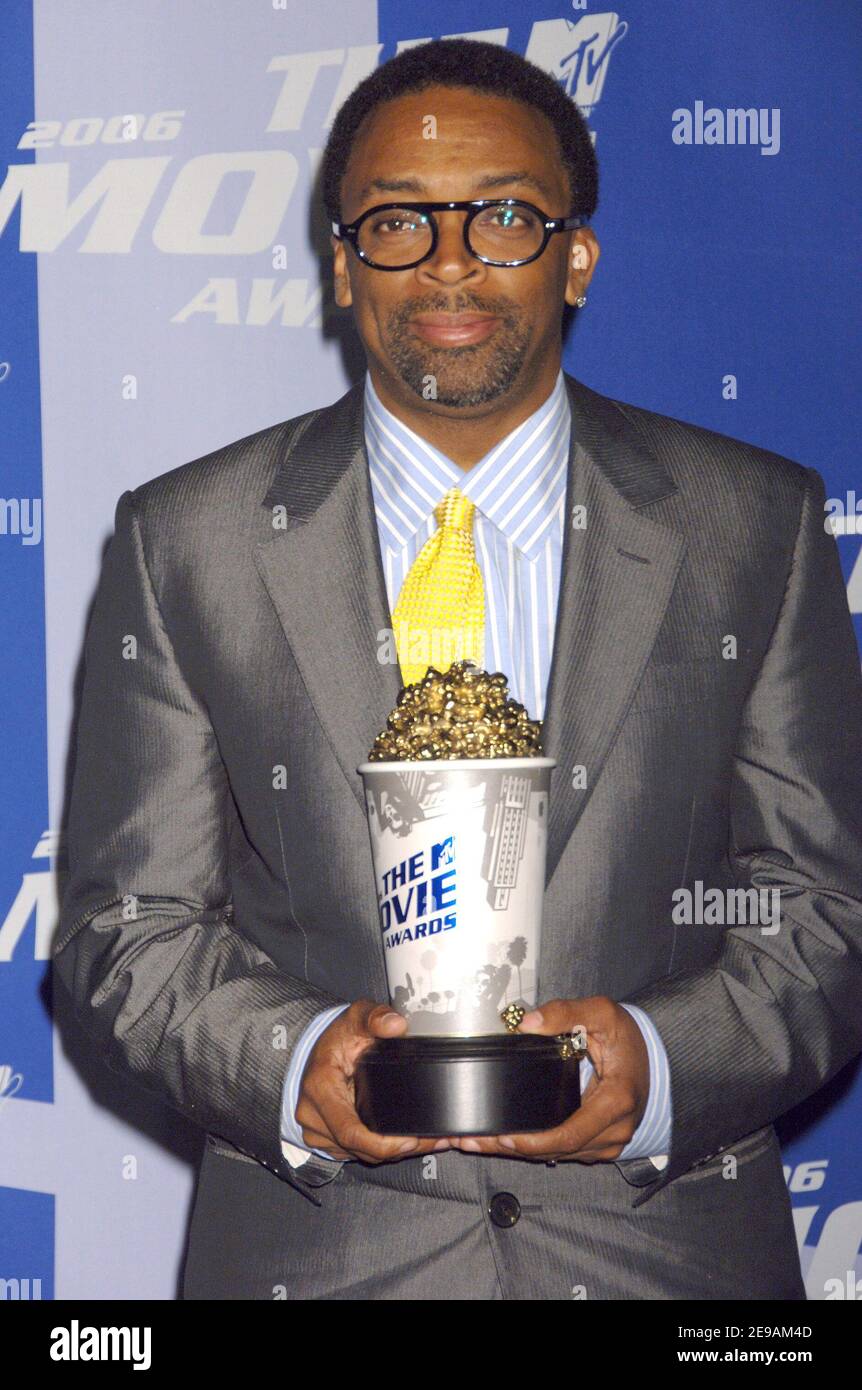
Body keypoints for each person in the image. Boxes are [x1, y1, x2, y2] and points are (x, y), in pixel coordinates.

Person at [54, 38, 862, 1300]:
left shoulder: (748, 525)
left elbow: (826, 911)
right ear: (338, 263)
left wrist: (661, 1063)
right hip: (317, 1261)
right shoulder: (189, 539)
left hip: (671, 1264)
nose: (447, 261)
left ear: (575, 253)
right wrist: (297, 1061)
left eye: (501, 216)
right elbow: (126, 931)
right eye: (396, 221)